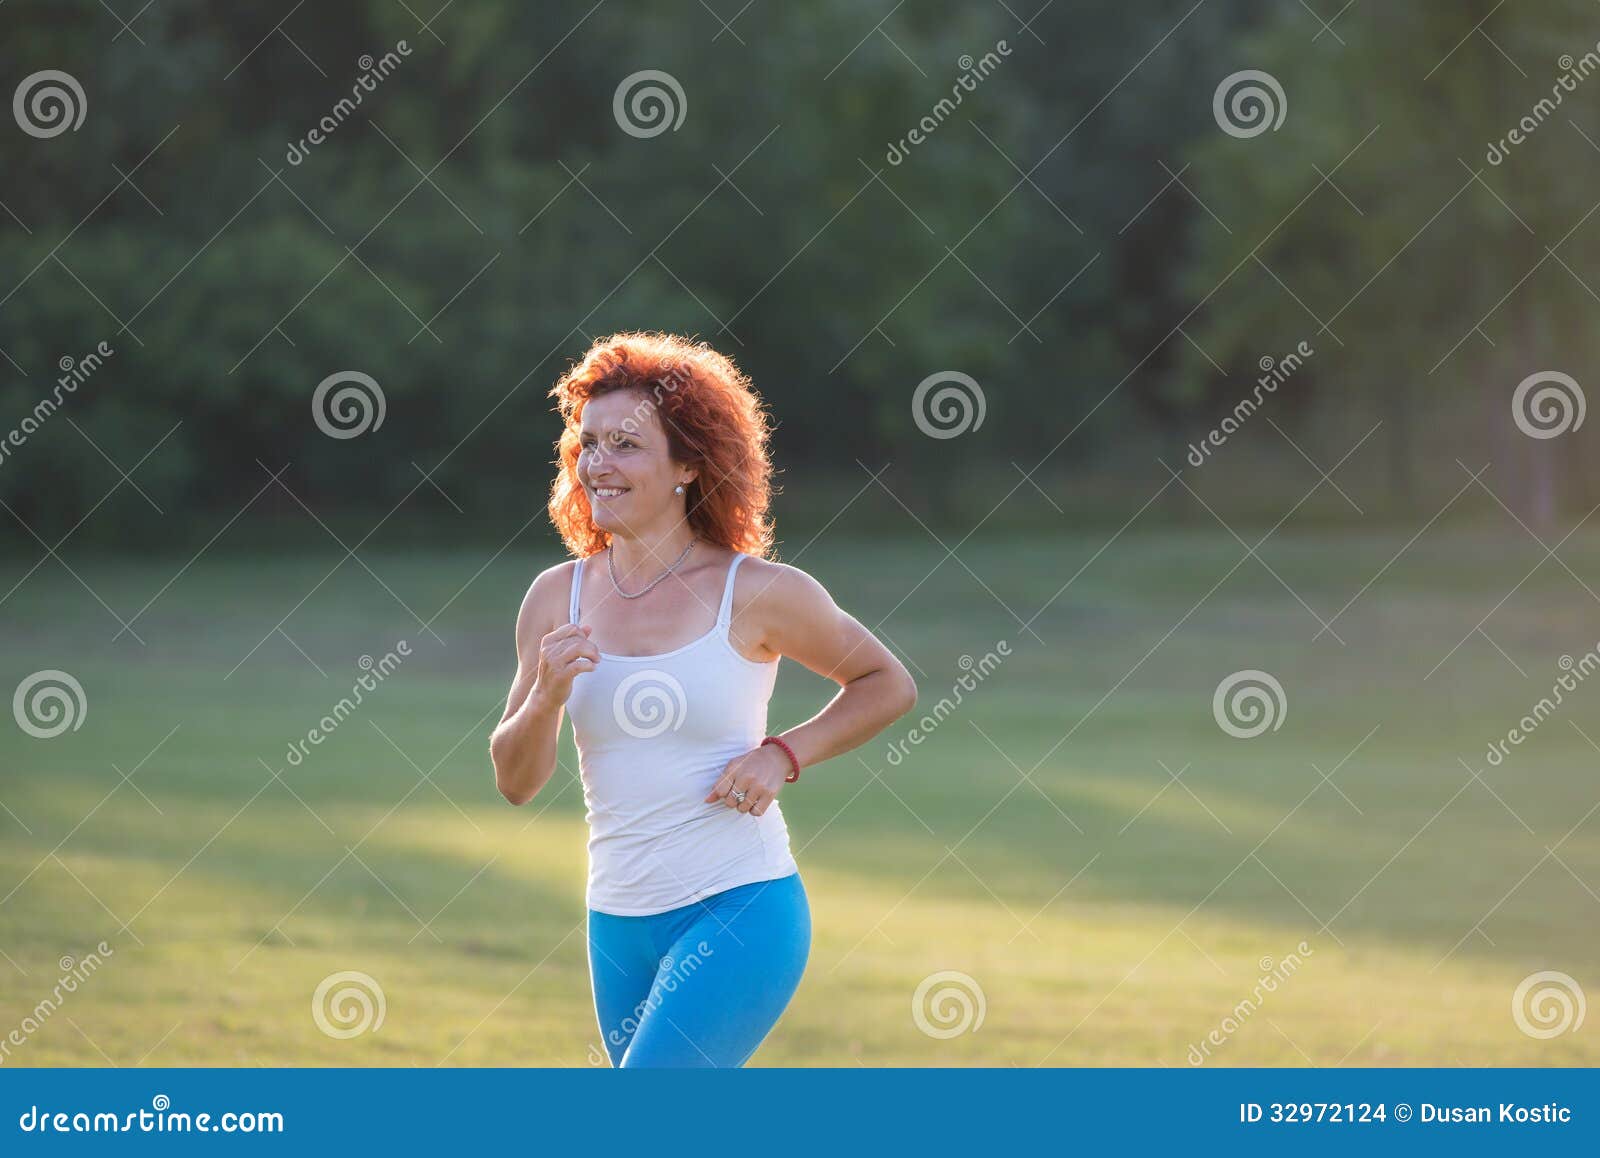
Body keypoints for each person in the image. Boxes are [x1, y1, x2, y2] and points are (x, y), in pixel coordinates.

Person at [489, 332, 918, 1067]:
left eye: (626, 445)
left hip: (741, 905)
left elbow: (887, 684)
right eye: (588, 443)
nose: (599, 464)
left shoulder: (757, 592)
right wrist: (547, 699)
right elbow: (516, 781)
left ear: (690, 464)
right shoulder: (556, 597)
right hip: (616, 917)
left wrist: (783, 754)